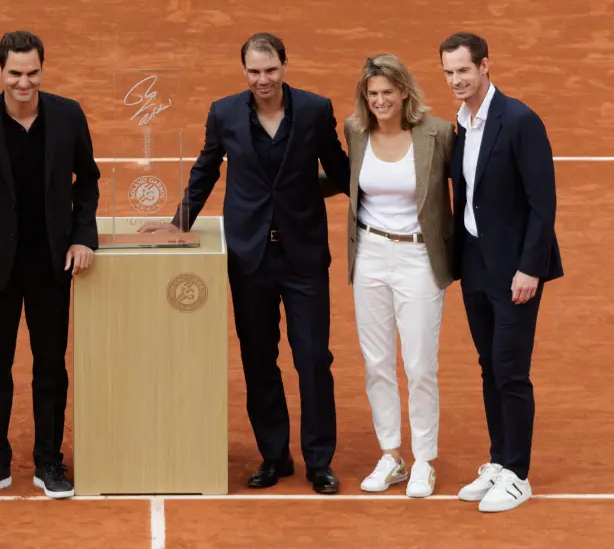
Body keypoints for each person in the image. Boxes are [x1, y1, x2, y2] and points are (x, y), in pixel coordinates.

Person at [141, 32, 350, 494]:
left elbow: (339, 168)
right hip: (249, 256)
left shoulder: (315, 110)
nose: (263, 80)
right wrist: (177, 224)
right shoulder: (225, 113)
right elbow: (206, 168)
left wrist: (377, 199)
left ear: (284, 66)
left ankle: (319, 461)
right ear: (244, 72)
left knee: (313, 357)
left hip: (304, 257)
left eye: (271, 70)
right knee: (260, 358)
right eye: (254, 71)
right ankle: (274, 455)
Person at [0, 31, 100, 500]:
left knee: (51, 366)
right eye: (15, 73)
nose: (24, 82)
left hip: (52, 267)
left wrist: (82, 238)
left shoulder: (68, 114)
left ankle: (49, 461)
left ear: (42, 69)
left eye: (32, 73)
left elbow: (88, 182)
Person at [441, 32, 562, 512]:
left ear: (485, 66)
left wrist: (529, 268)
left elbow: (542, 203)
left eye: (463, 71)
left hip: (514, 272)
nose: (456, 80)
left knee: (511, 370)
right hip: (475, 266)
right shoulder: (461, 123)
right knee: (489, 365)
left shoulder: (519, 121)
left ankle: (518, 474)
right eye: (449, 73)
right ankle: (499, 461)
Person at [343, 54, 454, 498]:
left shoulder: (438, 133)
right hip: (369, 254)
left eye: (389, 92)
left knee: (420, 364)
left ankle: (425, 459)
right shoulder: (355, 132)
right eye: (373, 94)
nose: (381, 101)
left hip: (419, 258)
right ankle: (392, 455)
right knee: (377, 363)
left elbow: (462, 188)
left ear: (405, 92)